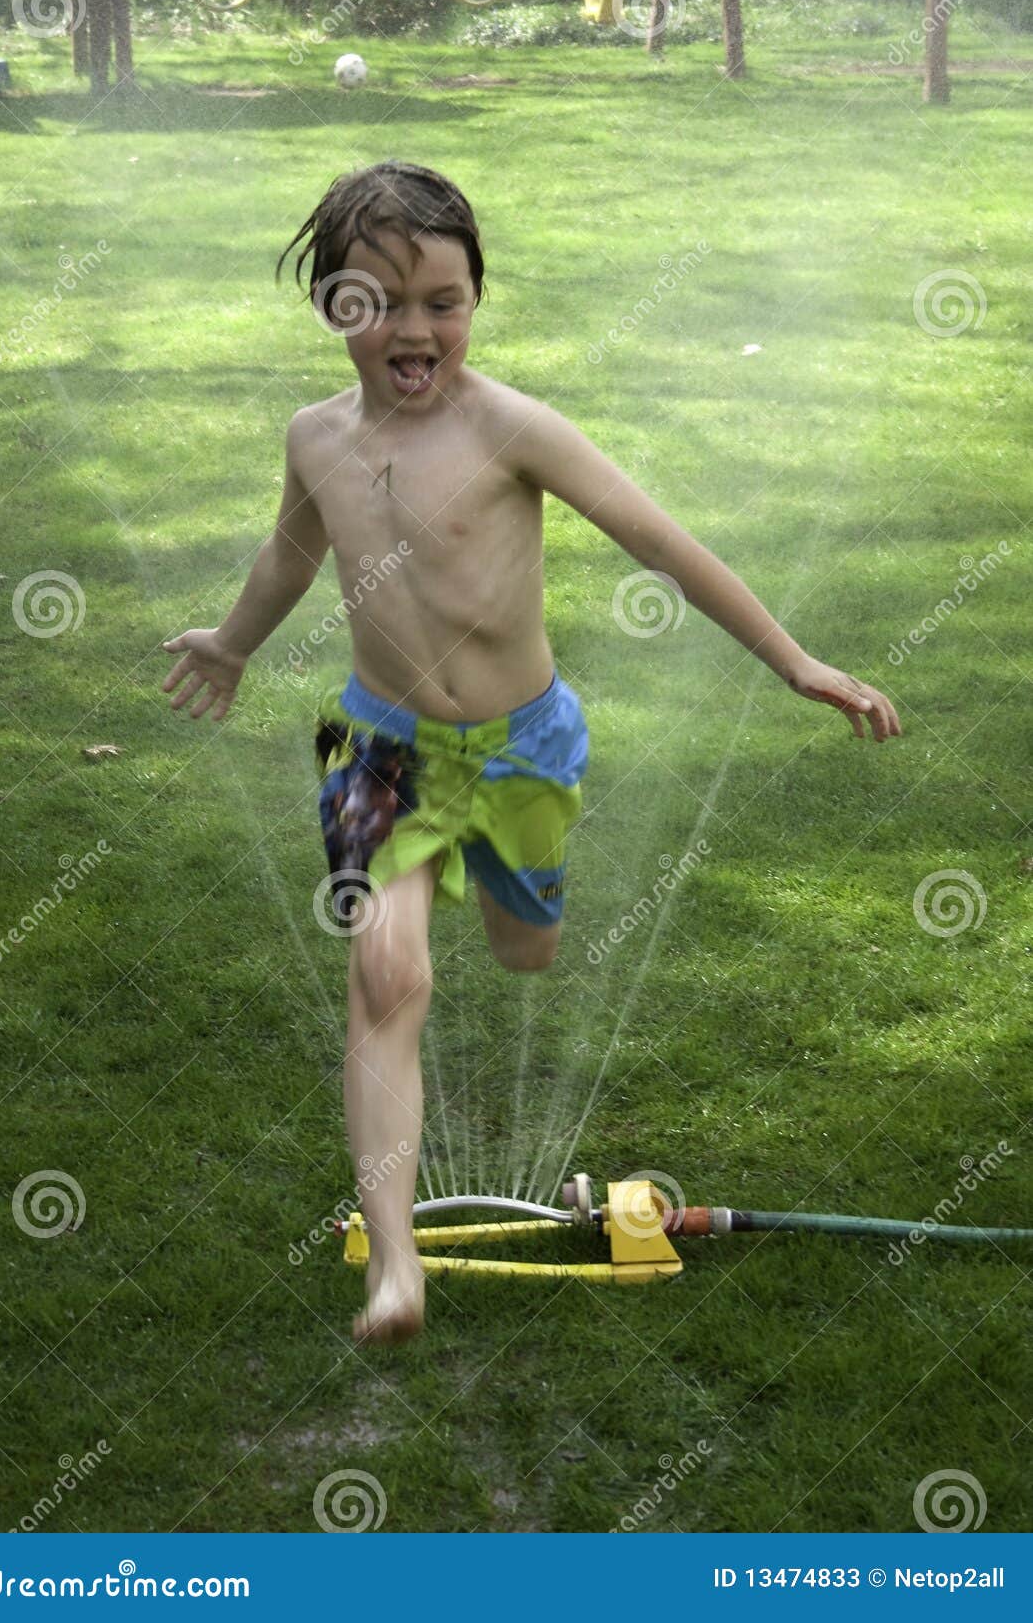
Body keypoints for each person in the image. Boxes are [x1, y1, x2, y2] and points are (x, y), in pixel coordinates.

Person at [161, 161, 901, 1346]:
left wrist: (790, 659)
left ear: (474, 303)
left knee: (526, 951)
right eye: (379, 302)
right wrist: (232, 642)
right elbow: (289, 557)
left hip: (524, 748)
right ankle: (393, 1264)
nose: (414, 329)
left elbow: (657, 539)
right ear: (333, 306)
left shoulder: (510, 428)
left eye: (441, 302)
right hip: (376, 745)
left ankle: (493, 894)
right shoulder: (315, 438)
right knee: (386, 976)